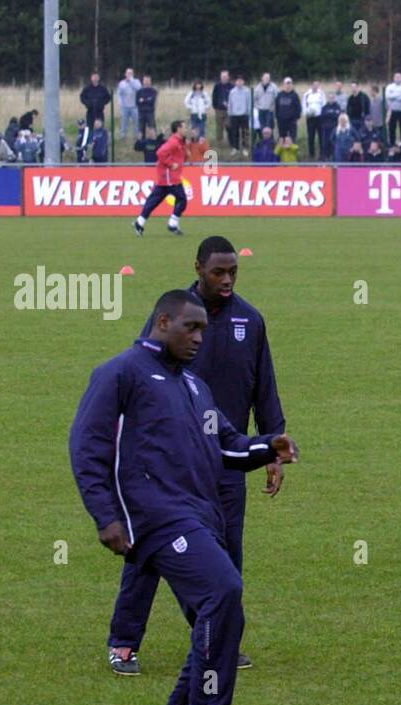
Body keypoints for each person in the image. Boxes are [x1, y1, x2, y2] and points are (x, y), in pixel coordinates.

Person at [70, 289, 297, 705]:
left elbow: (225, 446)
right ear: (163, 321)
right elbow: (86, 447)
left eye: (203, 331)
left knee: (219, 612)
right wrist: (105, 516)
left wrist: (267, 447)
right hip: (156, 517)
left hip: (199, 514)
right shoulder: (120, 373)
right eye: (190, 328)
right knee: (223, 592)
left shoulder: (193, 386)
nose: (198, 338)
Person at [106, 235, 291, 677]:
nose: (226, 280)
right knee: (148, 554)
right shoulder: (174, 314)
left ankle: (218, 639)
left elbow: (263, 385)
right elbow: (141, 372)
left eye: (233, 273)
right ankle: (124, 643)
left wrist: (271, 447)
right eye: (218, 272)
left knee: (226, 554)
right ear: (198, 268)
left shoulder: (251, 319)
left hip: (228, 456)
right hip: (170, 464)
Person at [133, 121, 188, 236]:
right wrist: (170, 164)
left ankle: (140, 222)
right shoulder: (173, 141)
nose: (186, 129)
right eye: (184, 127)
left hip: (168, 177)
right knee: (182, 199)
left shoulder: (179, 142)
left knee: (154, 200)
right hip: (170, 177)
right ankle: (172, 223)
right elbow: (160, 152)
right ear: (178, 129)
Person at [227, 75, 251, 156]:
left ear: (243, 82)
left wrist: (249, 113)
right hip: (234, 115)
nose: (239, 83)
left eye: (241, 81)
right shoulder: (232, 92)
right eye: (238, 81)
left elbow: (249, 103)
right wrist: (229, 113)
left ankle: (245, 148)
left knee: (245, 133)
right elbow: (230, 103)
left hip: (244, 115)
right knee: (234, 132)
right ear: (235, 82)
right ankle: (235, 148)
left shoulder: (247, 91)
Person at [385, 72, 401, 146]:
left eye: (399, 77)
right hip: (392, 112)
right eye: (396, 77)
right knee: (391, 129)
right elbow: (387, 96)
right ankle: (392, 145)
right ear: (393, 78)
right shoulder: (389, 87)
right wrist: (400, 95)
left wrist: (393, 97)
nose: (398, 79)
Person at [303, 81, 325, 160]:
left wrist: (323, 115)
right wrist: (306, 113)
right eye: (314, 85)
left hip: (319, 118)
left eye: (317, 85)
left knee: (321, 136)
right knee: (311, 136)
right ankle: (311, 154)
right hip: (310, 118)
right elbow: (304, 106)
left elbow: (324, 104)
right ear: (311, 85)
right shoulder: (306, 94)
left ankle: (322, 154)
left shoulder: (321, 94)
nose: (316, 86)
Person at [275, 77, 302, 142]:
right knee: (282, 138)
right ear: (284, 84)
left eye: (289, 83)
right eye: (287, 83)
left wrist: (296, 117)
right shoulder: (279, 95)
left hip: (291, 121)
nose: (288, 85)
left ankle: (292, 151)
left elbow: (298, 107)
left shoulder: (295, 95)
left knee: (292, 137)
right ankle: (282, 151)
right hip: (281, 120)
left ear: (292, 85)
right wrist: (277, 116)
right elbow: (276, 106)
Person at [117, 68, 139, 142]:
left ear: (133, 74)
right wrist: (120, 102)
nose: (129, 75)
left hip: (134, 106)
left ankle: (136, 136)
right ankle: (123, 136)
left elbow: (139, 89)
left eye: (131, 73)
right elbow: (119, 93)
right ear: (125, 74)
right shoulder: (122, 83)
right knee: (124, 122)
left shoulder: (136, 82)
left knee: (136, 122)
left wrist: (131, 81)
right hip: (125, 107)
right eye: (128, 73)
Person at [319, 90, 342, 160]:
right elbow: (322, 116)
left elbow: (338, 116)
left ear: (334, 98)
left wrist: (329, 114)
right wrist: (332, 114)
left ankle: (335, 160)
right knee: (325, 145)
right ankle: (325, 160)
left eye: (332, 97)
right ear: (328, 98)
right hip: (325, 129)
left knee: (334, 145)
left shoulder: (337, 107)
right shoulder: (324, 107)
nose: (331, 99)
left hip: (334, 129)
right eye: (330, 98)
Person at [211, 70, 232, 145]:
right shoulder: (217, 86)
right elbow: (214, 96)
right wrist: (215, 106)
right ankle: (219, 142)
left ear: (228, 77)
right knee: (219, 127)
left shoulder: (231, 86)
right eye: (223, 76)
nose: (224, 78)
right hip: (219, 109)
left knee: (229, 125)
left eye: (225, 76)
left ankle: (231, 140)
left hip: (229, 110)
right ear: (220, 77)